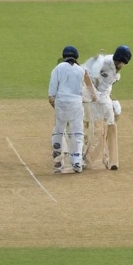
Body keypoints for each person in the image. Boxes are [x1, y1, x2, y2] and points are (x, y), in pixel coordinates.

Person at [82, 45, 132, 170]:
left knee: (114, 115)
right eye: (121, 62)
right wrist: (93, 95)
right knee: (93, 128)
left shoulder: (115, 70)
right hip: (92, 96)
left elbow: (107, 86)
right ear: (118, 59)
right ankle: (83, 156)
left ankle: (110, 158)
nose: (122, 65)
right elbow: (87, 76)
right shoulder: (102, 63)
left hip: (103, 97)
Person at [48, 45, 87, 174]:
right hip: (76, 103)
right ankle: (77, 162)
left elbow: (51, 96)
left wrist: (57, 108)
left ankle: (58, 162)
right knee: (77, 132)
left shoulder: (57, 69)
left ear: (64, 56)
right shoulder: (81, 70)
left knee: (58, 130)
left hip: (61, 102)